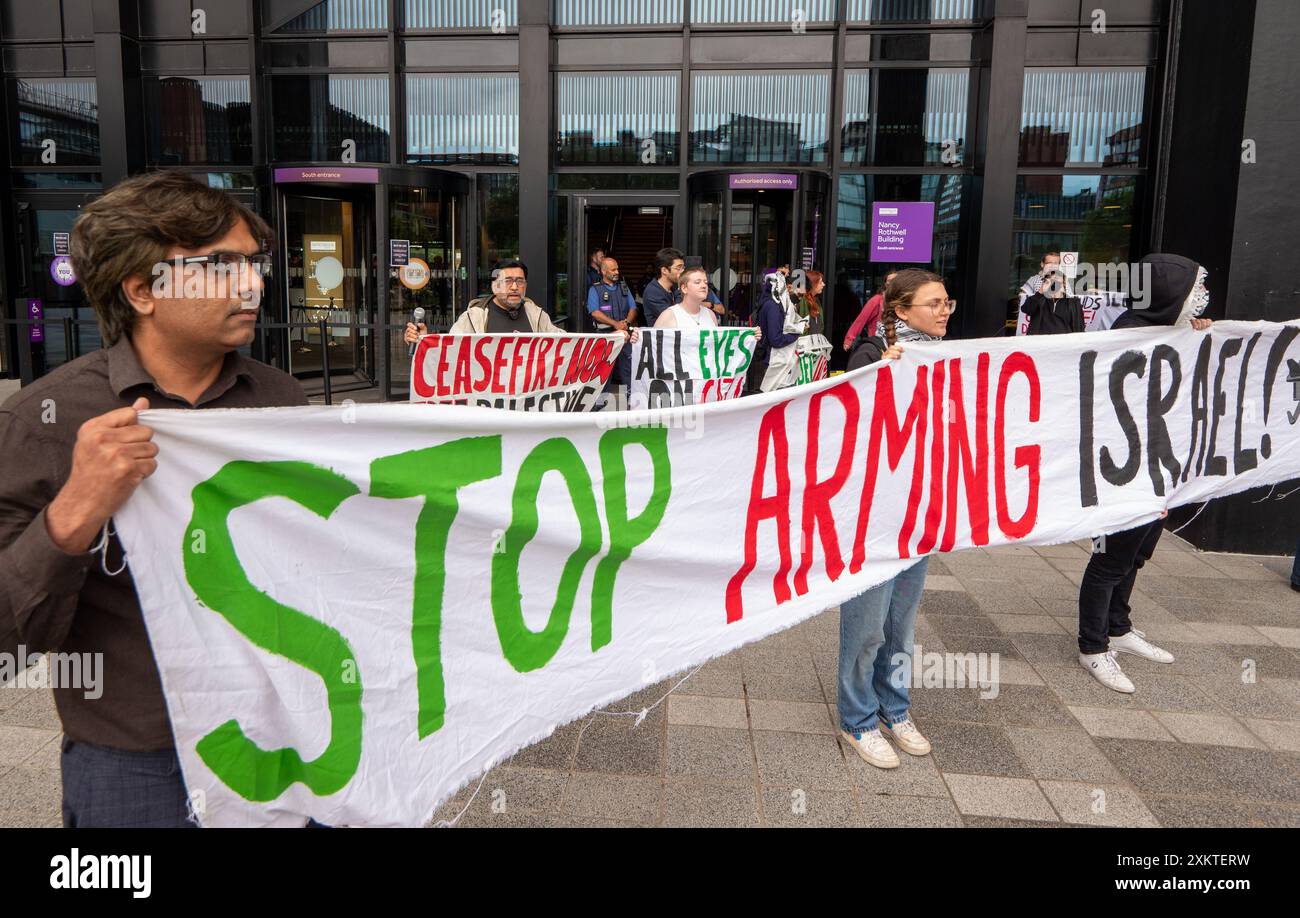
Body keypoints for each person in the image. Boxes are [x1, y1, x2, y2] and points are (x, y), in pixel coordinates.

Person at [0, 171, 309, 827]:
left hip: (279, 741)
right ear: (141, 290)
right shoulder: (45, 421)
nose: (252, 285)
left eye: (254, 265)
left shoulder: (284, 402)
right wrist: (76, 511)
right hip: (133, 766)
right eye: (221, 267)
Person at [1076, 253, 1214, 693]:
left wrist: (1193, 339)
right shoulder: (1128, 334)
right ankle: (1093, 647)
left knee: (1136, 554)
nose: (1201, 298)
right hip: (1124, 472)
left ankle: (1118, 627)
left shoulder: (1171, 332)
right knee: (1109, 560)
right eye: (1194, 289)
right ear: (1170, 293)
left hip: (1160, 470)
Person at [837, 269, 955, 769]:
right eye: (934, 303)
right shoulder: (870, 355)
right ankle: (858, 719)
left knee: (901, 627)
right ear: (901, 311)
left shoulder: (952, 358)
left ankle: (894, 709)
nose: (945, 310)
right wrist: (875, 379)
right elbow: (840, 421)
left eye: (948, 301)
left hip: (918, 514)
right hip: (874, 520)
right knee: (867, 627)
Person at [404, 259, 560, 341]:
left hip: (528, 398)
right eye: (507, 281)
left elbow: (565, 345)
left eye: (520, 281)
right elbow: (450, 352)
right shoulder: (474, 317)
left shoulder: (537, 315)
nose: (514, 287)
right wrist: (423, 341)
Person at [752, 270, 808, 392]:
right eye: (785, 287)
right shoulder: (774, 306)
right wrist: (797, 332)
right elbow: (776, 339)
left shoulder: (767, 303)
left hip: (770, 360)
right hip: (775, 362)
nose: (788, 291)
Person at [588, 256, 637, 387]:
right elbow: (595, 313)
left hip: (624, 336)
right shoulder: (595, 290)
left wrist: (626, 323)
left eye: (617, 269)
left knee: (628, 371)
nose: (617, 272)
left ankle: (631, 401)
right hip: (604, 337)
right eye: (613, 270)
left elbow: (633, 308)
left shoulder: (624, 287)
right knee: (603, 373)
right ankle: (602, 404)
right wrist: (616, 324)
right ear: (604, 272)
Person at [1016, 252, 1072, 335]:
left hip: (1059, 328)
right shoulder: (1034, 280)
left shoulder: (1064, 281)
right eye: (1050, 263)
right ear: (1042, 264)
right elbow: (1023, 299)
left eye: (1056, 263)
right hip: (1039, 327)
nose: (1053, 266)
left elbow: (1071, 303)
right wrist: (1041, 291)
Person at [1021, 264, 1084, 334]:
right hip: (1039, 342)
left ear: (1063, 284)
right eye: (1050, 281)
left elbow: (1079, 327)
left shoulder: (1073, 302)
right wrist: (1040, 291)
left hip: (1064, 342)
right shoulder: (1039, 299)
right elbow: (1026, 309)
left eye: (1056, 280)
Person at [655, 266, 722, 330]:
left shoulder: (710, 315)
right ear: (684, 288)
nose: (704, 286)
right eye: (697, 282)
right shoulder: (669, 315)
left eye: (706, 282)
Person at [843, 271, 896, 352]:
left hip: (898, 345)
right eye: (889, 281)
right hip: (879, 345)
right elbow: (861, 319)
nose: (892, 283)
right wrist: (849, 339)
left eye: (895, 280)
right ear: (885, 284)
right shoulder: (877, 300)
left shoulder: (903, 301)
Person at [640, 247, 684, 328]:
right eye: (678, 268)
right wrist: (680, 286)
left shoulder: (672, 288)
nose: (682, 271)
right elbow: (674, 316)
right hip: (661, 338)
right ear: (664, 270)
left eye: (683, 268)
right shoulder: (653, 291)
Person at [795, 269, 826, 336]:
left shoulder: (816, 301)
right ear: (812, 284)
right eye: (820, 282)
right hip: (806, 344)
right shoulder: (803, 302)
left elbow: (819, 326)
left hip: (815, 342)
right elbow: (801, 329)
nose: (823, 284)